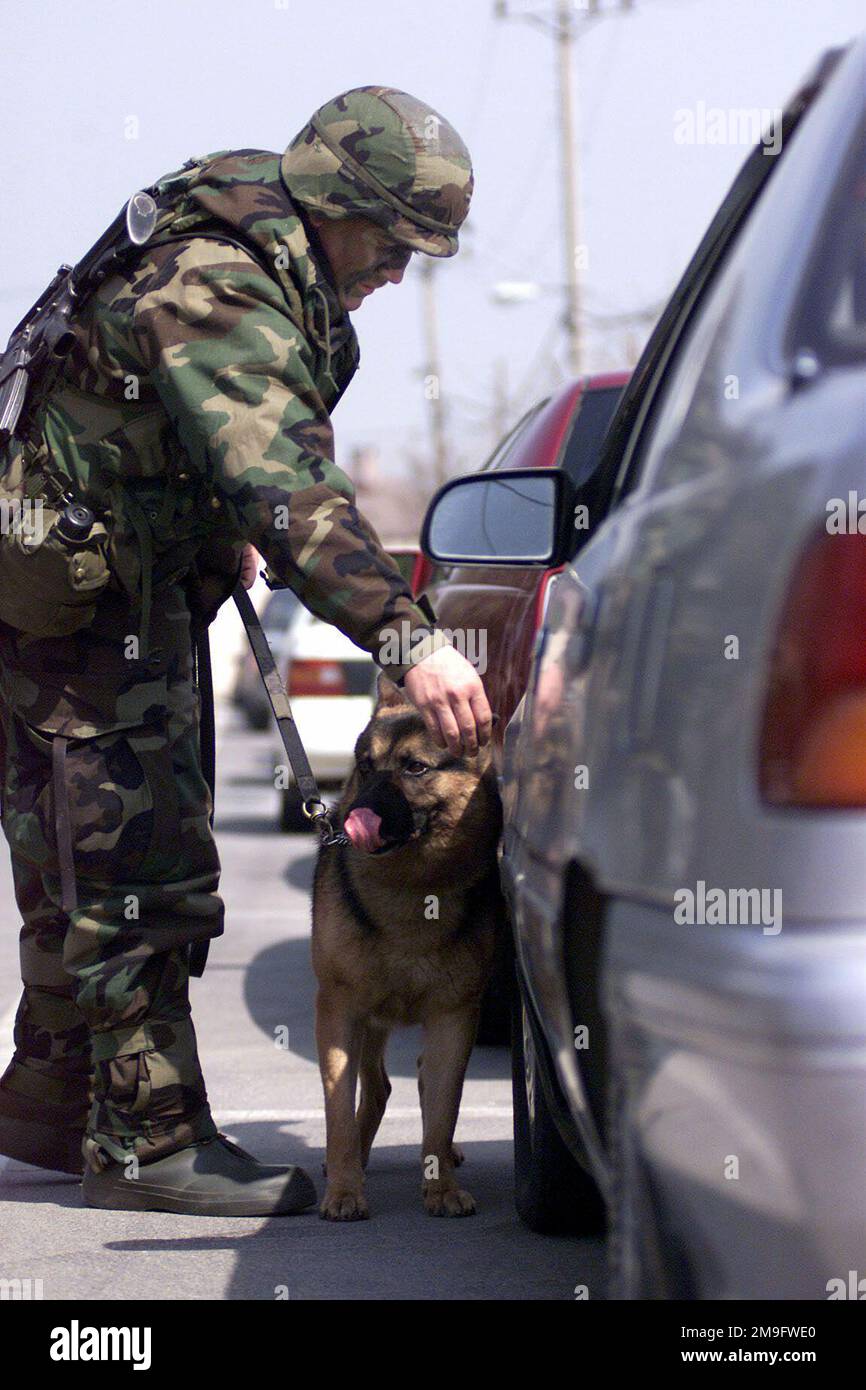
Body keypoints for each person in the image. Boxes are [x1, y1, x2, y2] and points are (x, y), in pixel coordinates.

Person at [0, 86, 491, 1216]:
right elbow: (292, 493)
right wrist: (409, 640)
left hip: (86, 590)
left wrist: (211, 528)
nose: (396, 272)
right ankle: (147, 1140)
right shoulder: (222, 283)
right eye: (391, 241)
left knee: (69, 854)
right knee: (137, 864)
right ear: (332, 203)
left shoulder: (243, 246)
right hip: (86, 607)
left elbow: (197, 452)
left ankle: (56, 1096)